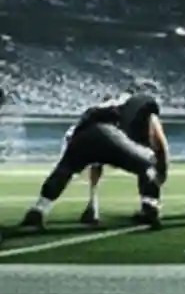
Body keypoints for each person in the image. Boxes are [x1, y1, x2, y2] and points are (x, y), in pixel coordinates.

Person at [19, 87, 169, 231]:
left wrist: (93, 205)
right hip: (109, 132)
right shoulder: (142, 105)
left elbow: (96, 163)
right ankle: (150, 206)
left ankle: (39, 209)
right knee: (151, 162)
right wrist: (162, 170)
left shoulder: (105, 106)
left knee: (66, 169)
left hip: (81, 134)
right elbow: (160, 141)